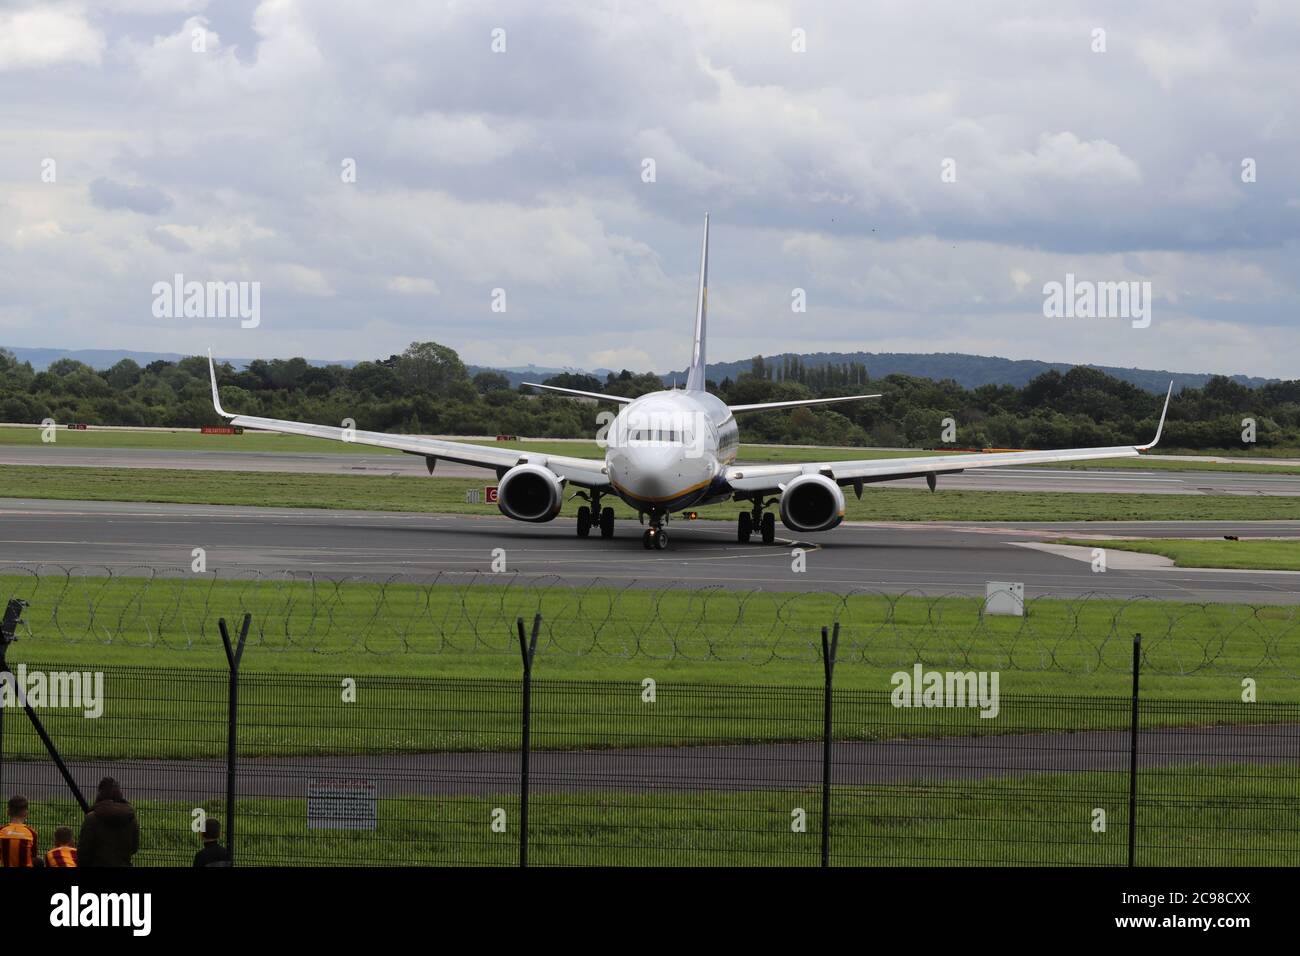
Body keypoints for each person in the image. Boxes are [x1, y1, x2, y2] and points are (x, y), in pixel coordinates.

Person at [78, 777, 139, 867]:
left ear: (100, 793)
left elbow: (84, 851)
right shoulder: (130, 818)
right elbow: (134, 848)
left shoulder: (92, 818)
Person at [0, 795, 38, 867]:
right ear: (26, 813)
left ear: (8, 812)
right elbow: (34, 857)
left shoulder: (1, 831)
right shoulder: (32, 833)